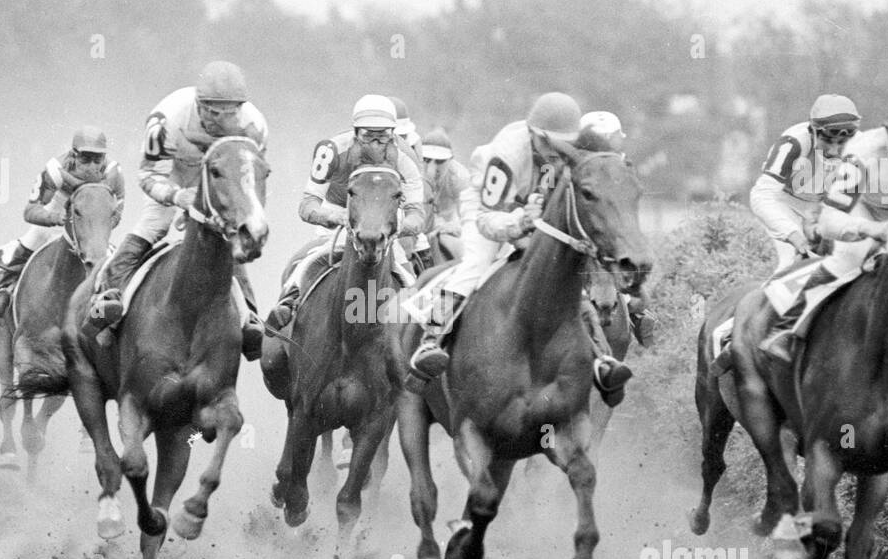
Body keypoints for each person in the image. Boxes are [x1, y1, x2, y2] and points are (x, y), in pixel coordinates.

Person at [403, 92, 632, 404]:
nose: (559, 152)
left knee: (564, 273)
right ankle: (431, 340)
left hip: (533, 209)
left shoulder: (566, 151)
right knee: (476, 264)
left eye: (566, 145)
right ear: (535, 135)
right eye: (552, 144)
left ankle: (602, 359)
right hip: (488, 207)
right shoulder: (507, 154)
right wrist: (519, 224)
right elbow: (486, 220)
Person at [761, 91, 888, 386]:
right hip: (863, 213)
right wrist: (871, 230)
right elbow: (831, 220)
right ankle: (787, 328)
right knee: (849, 257)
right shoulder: (863, 150)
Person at [85, 61, 267, 357]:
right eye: (212, 111)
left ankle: (250, 318)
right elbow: (148, 175)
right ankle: (110, 298)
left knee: (228, 237)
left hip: (221, 177)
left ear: (241, 109)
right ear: (198, 104)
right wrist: (177, 197)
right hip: (174, 173)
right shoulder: (167, 118)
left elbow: (250, 177)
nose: (220, 120)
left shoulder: (255, 126)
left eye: (230, 112)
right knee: (154, 224)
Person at [264, 95, 426, 332]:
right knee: (311, 258)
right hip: (338, 211)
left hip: (383, 217)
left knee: (408, 273)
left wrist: (395, 226)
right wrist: (332, 218)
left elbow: (417, 216)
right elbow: (307, 205)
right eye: (368, 135)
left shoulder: (406, 159)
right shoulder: (332, 150)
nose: (375, 144)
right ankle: (289, 300)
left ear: (393, 133)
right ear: (355, 133)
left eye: (382, 135)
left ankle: (427, 332)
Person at [0, 126, 125, 317]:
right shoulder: (55, 170)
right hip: (60, 204)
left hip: (91, 215)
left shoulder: (113, 173)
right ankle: (5, 288)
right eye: (85, 158)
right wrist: (54, 218)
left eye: (97, 159)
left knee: (109, 253)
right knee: (35, 236)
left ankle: (113, 298)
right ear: (73, 154)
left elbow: (116, 214)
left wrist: (95, 228)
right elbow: (30, 211)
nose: (92, 166)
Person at [749, 94, 860, 272]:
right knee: (792, 263)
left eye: (842, 143)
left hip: (820, 211)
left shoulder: (860, 149)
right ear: (813, 131)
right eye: (827, 141)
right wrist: (793, 234)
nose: (833, 150)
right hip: (783, 206)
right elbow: (761, 196)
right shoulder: (794, 142)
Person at [573, 110, 655, 348]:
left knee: (641, 299)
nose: (620, 141)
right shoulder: (583, 167)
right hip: (584, 237)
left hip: (611, 237)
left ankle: (640, 323)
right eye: (616, 136)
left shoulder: (621, 163)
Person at [412, 127, 469, 269]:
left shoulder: (460, 177)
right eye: (426, 160)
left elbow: (469, 216)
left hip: (447, 227)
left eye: (439, 161)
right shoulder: (411, 171)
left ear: (450, 160)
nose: (432, 168)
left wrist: (456, 226)